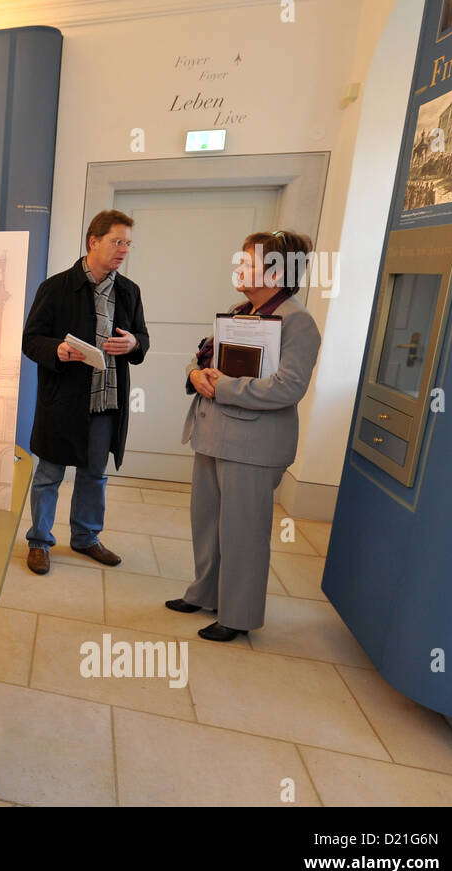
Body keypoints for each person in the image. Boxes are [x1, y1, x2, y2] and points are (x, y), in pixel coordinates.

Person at [166, 229, 322, 641]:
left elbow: (289, 386)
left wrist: (224, 387)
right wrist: (196, 374)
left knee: (243, 532)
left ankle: (238, 615)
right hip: (213, 434)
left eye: (249, 262)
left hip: (253, 445)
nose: (239, 267)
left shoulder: (297, 321)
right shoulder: (242, 310)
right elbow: (204, 358)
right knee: (209, 523)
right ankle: (205, 593)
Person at [21, 209, 150, 574]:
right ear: (93, 242)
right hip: (62, 403)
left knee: (95, 474)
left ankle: (86, 538)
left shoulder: (129, 292)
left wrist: (134, 345)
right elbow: (31, 341)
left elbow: (142, 339)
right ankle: (39, 542)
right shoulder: (55, 288)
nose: (124, 250)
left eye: (128, 243)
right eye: (117, 241)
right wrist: (57, 350)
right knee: (49, 475)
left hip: (106, 403)